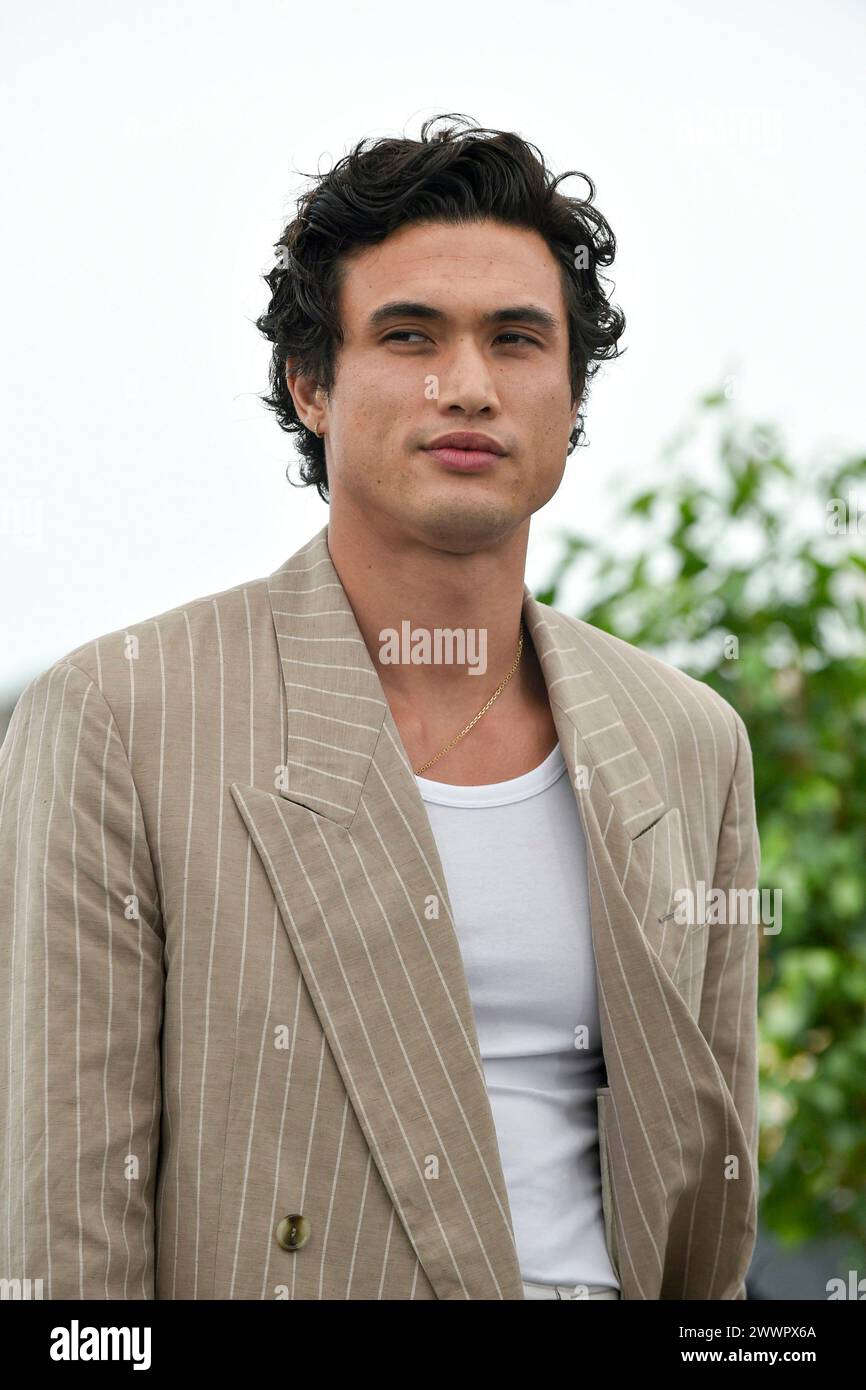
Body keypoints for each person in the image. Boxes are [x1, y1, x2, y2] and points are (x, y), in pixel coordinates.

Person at [0, 114, 759, 1300]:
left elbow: (707, 1208)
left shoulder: (684, 736)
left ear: (568, 396)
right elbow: (66, 1222)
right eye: (409, 336)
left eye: (517, 340)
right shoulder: (120, 714)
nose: (466, 386)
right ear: (311, 383)